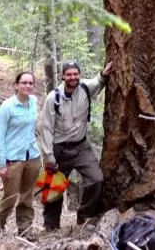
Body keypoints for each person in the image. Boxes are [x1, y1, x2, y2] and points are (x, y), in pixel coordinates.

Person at [39, 60, 112, 230]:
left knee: (96, 179)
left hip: (81, 147)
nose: (73, 77)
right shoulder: (53, 97)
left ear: (79, 75)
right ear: (63, 76)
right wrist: (49, 156)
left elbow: (99, 81)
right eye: (69, 74)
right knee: (53, 188)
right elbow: (47, 128)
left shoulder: (85, 88)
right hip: (59, 149)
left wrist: (103, 74)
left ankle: (84, 217)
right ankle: (50, 227)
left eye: (75, 74)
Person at [0, 71, 41, 239]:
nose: (27, 86)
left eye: (30, 83)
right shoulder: (7, 107)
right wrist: (2, 164)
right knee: (10, 198)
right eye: (24, 83)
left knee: (27, 197)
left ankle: (25, 229)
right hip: (13, 160)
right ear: (16, 85)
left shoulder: (34, 102)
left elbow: (33, 128)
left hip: (32, 157)